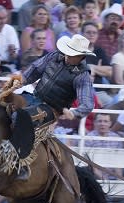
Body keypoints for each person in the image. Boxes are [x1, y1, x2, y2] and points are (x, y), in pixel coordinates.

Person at [15, 34, 96, 180]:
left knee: (23, 118)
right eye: (70, 52)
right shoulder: (54, 56)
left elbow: (88, 103)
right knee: (8, 107)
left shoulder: (82, 75)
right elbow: (35, 69)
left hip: (52, 109)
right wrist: (23, 80)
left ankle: (22, 163)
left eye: (74, 54)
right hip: (34, 97)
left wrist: (76, 113)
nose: (69, 56)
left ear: (81, 57)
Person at [83, 112, 124, 180]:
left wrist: (119, 180)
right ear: (95, 123)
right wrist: (104, 179)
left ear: (110, 123)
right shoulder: (89, 138)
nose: (102, 124)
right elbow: (89, 162)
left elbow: (118, 162)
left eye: (105, 121)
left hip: (113, 177)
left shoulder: (116, 138)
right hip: (94, 178)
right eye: (100, 121)